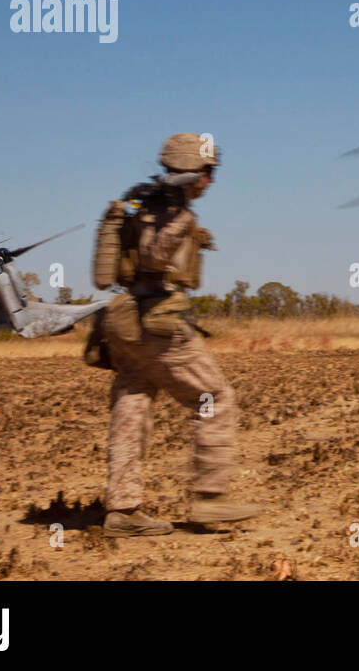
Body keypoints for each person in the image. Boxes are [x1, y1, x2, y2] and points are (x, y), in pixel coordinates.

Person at [101, 133, 259, 536]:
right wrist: (184, 223)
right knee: (214, 396)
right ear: (194, 170)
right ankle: (210, 498)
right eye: (208, 172)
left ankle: (123, 510)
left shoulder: (141, 198)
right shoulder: (171, 208)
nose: (212, 181)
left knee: (133, 405)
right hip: (157, 322)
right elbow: (154, 257)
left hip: (124, 322)